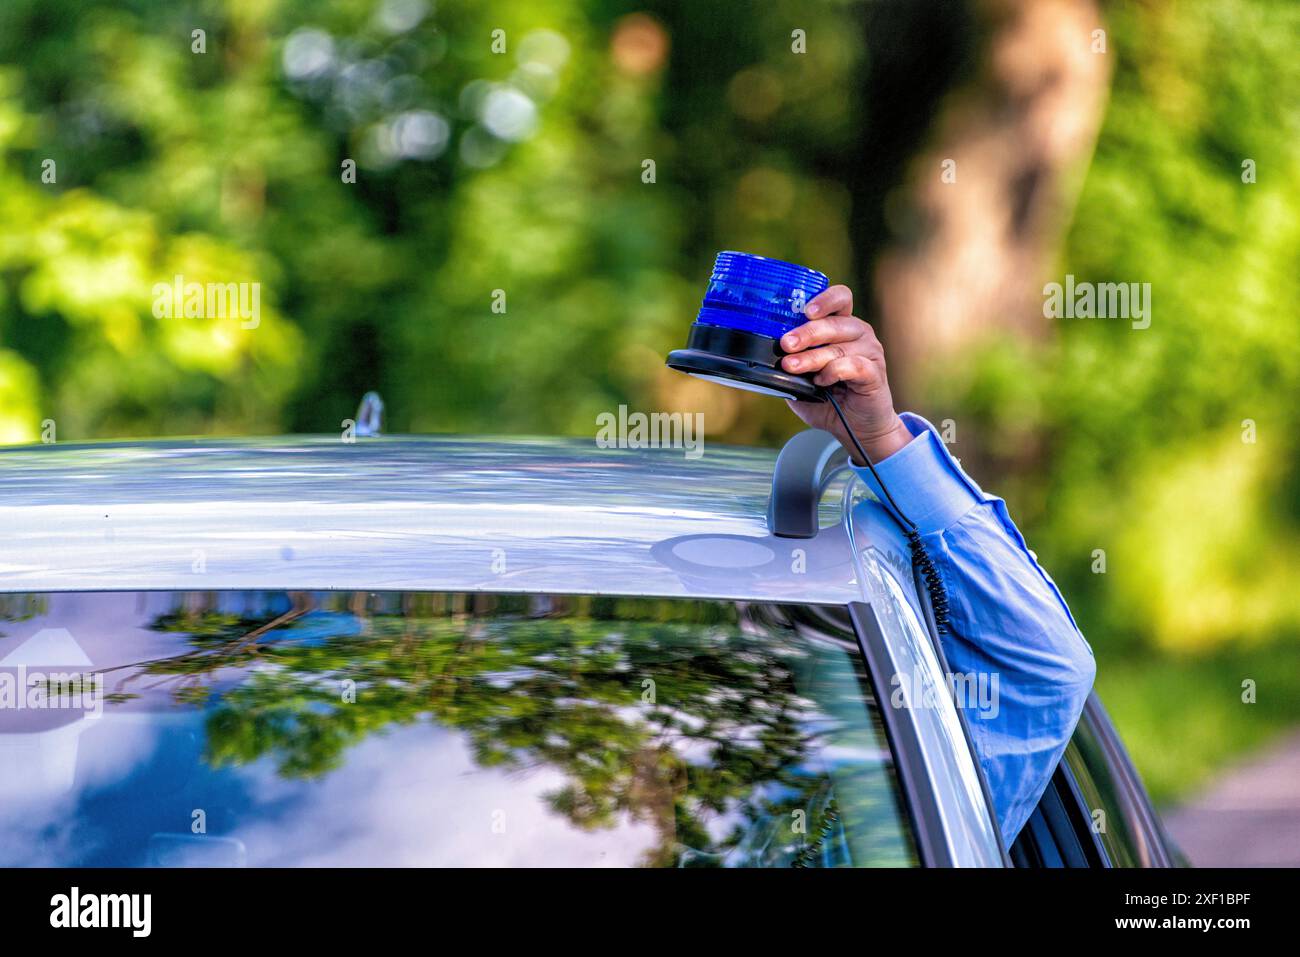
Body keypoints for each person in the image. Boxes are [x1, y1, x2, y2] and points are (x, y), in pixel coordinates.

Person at [781, 282, 1096, 847]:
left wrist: (878, 436)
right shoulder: (845, 842)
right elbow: (1046, 675)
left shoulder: (841, 842)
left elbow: (1047, 669)